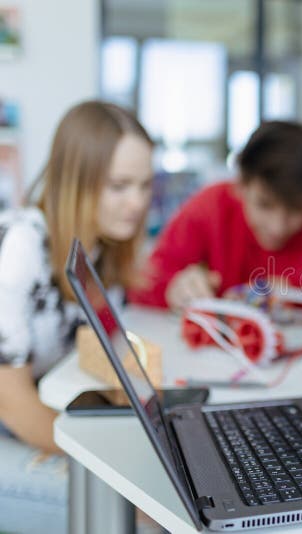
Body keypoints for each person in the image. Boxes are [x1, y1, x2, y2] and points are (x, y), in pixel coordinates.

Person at [0, 100, 153, 533]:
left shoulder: (101, 247)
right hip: (11, 420)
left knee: (157, 491)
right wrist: (114, 459)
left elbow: (100, 358)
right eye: (119, 186)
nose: (137, 202)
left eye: (145, 185)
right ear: (76, 181)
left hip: (24, 422)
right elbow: (11, 404)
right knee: (140, 513)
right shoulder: (20, 245)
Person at [131, 121, 302, 310]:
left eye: (297, 210)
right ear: (241, 185)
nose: (277, 227)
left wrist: (295, 295)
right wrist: (172, 289)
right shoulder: (210, 208)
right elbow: (142, 285)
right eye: (264, 205)